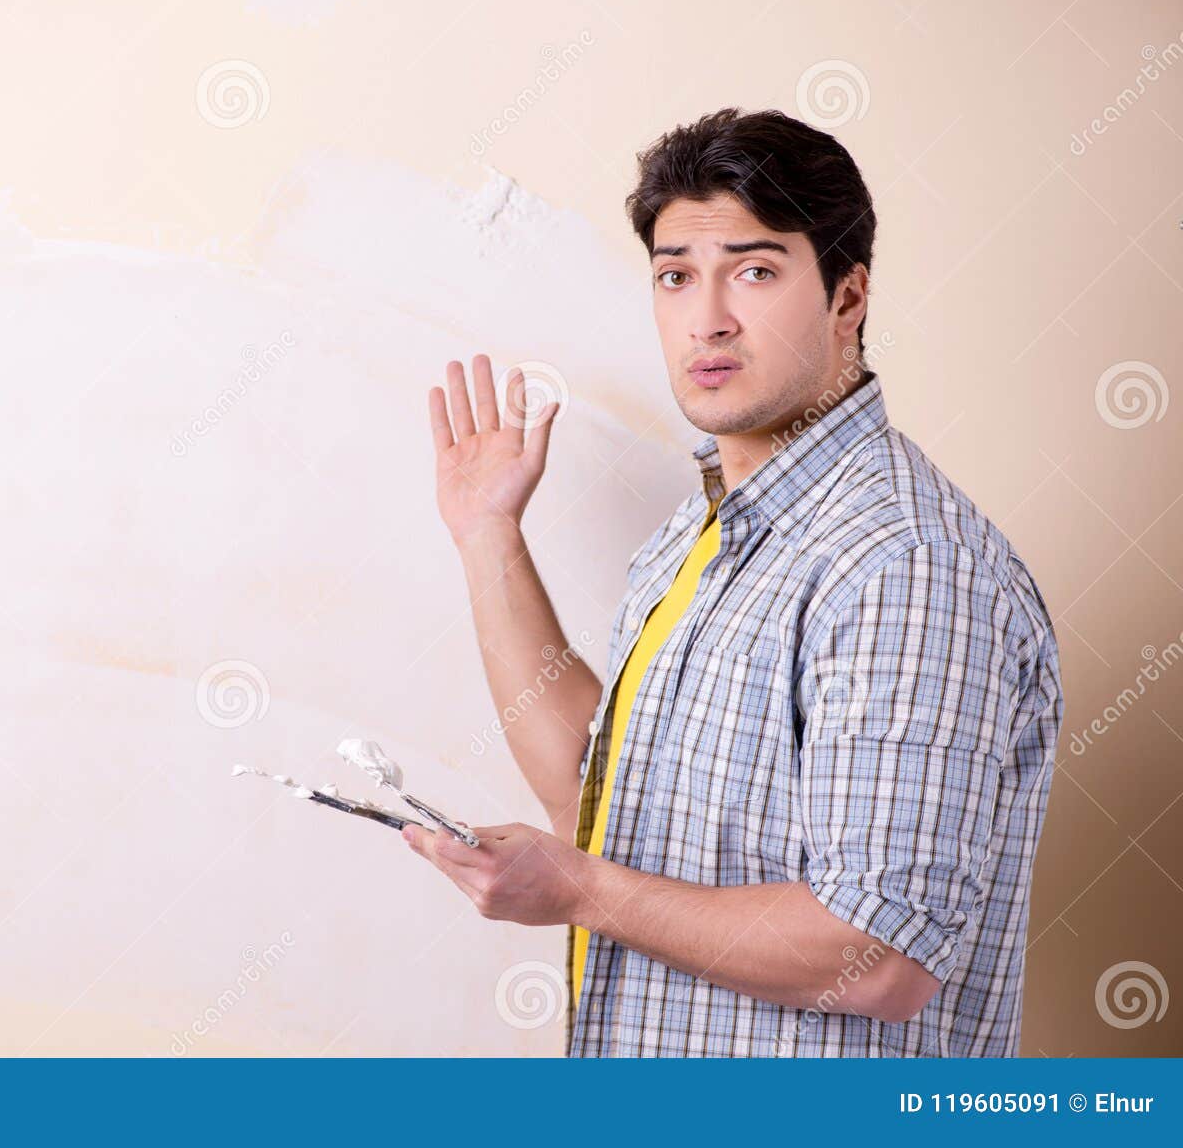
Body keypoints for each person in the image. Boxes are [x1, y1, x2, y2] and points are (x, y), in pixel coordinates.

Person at [406, 107, 1063, 1058]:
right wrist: (487, 535)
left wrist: (582, 890)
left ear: (848, 297)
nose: (707, 316)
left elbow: (879, 956)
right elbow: (591, 802)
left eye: (755, 270)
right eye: (677, 276)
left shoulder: (904, 564)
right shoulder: (700, 531)